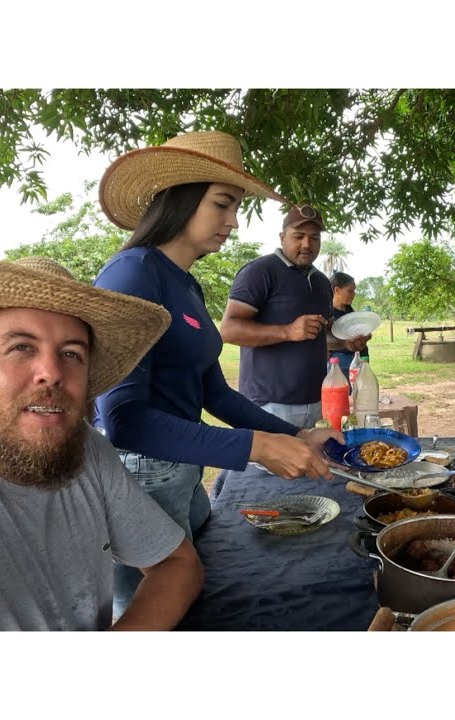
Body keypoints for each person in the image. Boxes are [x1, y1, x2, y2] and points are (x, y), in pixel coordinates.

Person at [92, 130, 341, 616]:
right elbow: (123, 419)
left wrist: (296, 434)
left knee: (203, 588)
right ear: (182, 200)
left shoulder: (186, 285)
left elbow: (215, 393)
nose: (231, 222)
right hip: (141, 475)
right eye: (222, 205)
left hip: (185, 463)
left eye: (236, 209)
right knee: (150, 611)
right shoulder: (133, 273)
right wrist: (255, 448)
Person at [0, 256, 203, 630]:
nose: (52, 373)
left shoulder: (87, 449)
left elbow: (178, 564)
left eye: (71, 353)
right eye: (22, 347)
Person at [219, 205, 366, 428]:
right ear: (282, 237)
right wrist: (287, 331)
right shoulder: (259, 272)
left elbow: (323, 335)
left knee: (317, 462)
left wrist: (347, 342)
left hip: (318, 402)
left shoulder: (321, 282)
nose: (307, 244)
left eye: (314, 238)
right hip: (268, 405)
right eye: (298, 236)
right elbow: (228, 330)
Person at [327, 271, 371, 376]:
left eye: (354, 290)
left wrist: (365, 336)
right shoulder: (327, 314)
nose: (354, 294)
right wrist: (345, 344)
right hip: (339, 365)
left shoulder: (350, 312)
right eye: (350, 291)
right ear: (336, 290)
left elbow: (364, 332)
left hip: (359, 361)